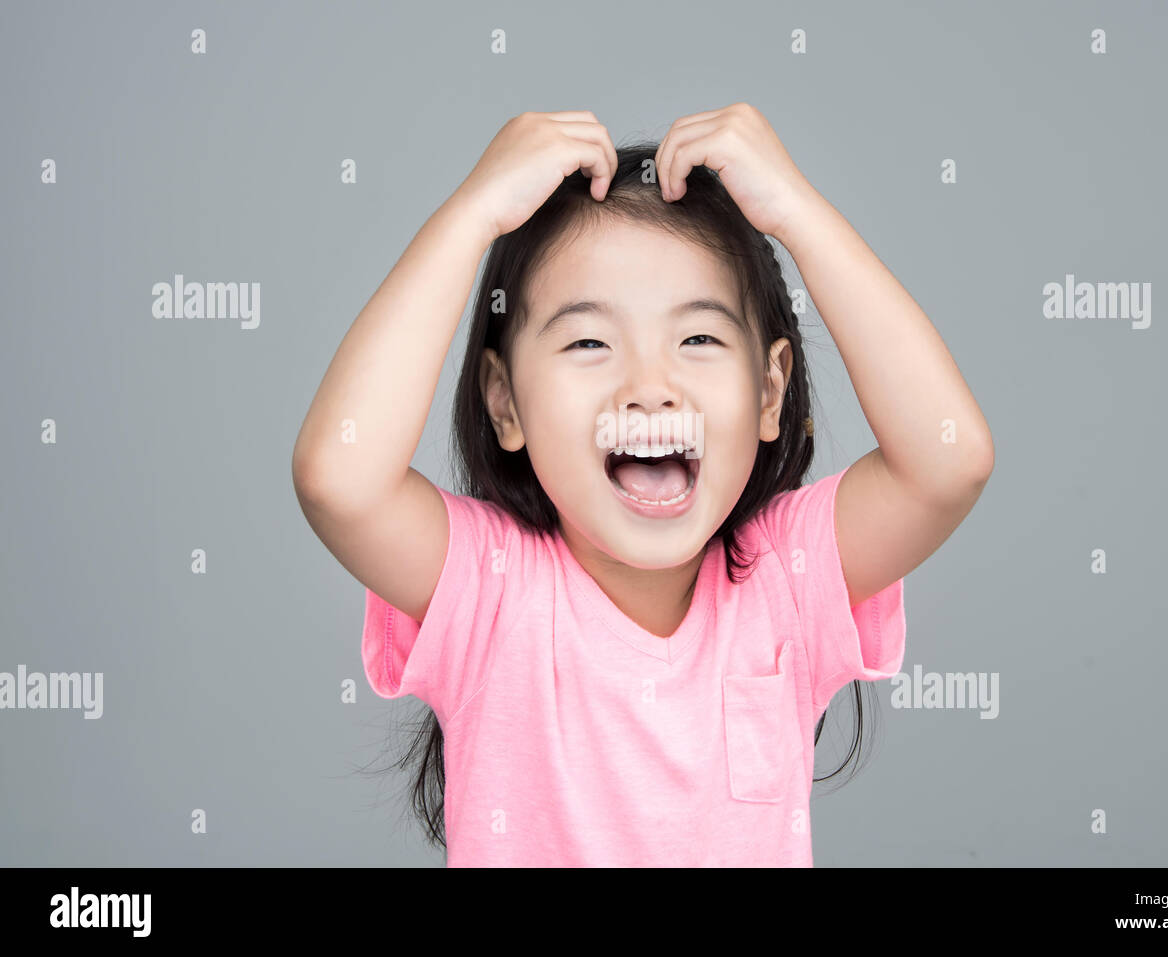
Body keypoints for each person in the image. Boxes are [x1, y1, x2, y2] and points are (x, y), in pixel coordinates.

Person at [291, 104, 994, 866]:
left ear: (769, 392)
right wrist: (472, 215)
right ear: (505, 402)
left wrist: (795, 209)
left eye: (697, 338)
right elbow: (341, 479)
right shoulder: (491, 593)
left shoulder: (784, 583)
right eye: (590, 340)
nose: (650, 387)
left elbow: (946, 461)